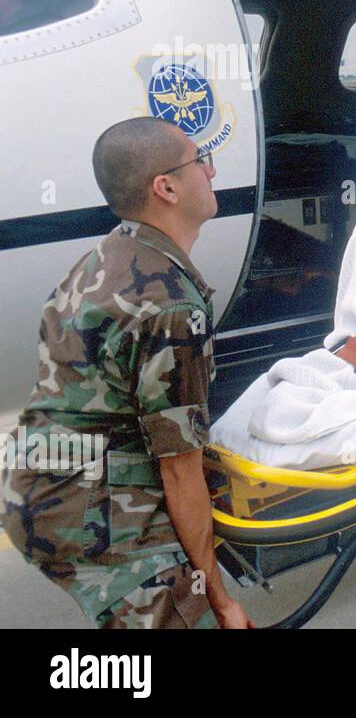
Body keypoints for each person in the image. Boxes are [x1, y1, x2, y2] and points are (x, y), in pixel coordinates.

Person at [1, 118, 252, 629]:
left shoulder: (110, 254)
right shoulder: (169, 305)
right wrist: (217, 598)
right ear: (167, 187)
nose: (212, 168)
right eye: (200, 159)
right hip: (89, 506)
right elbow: (179, 470)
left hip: (36, 484)